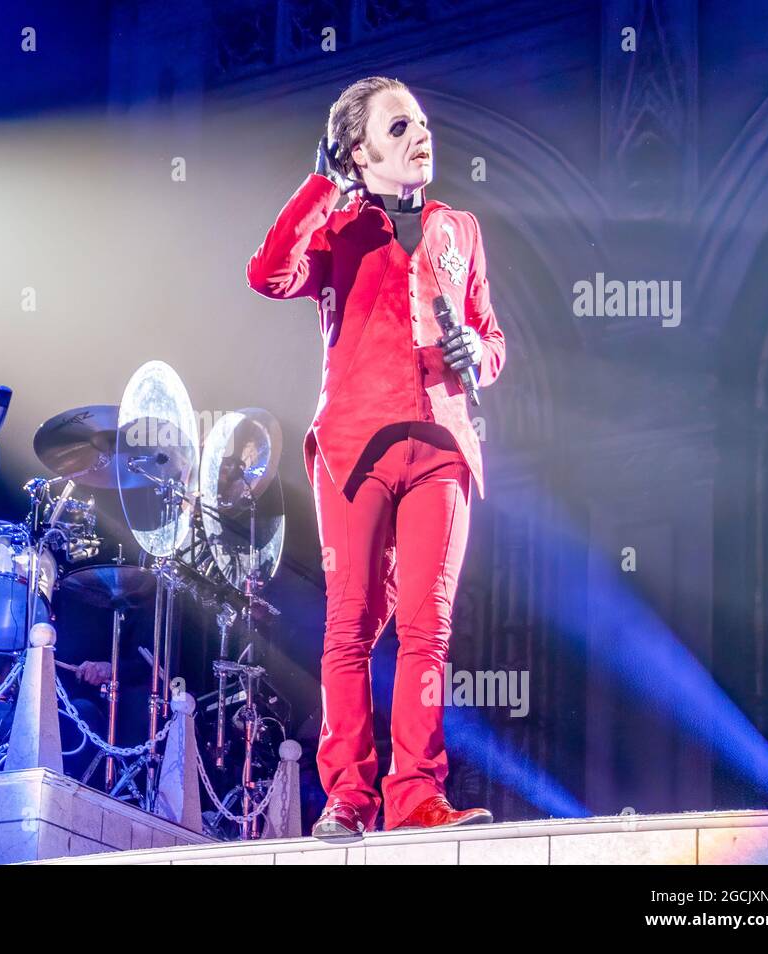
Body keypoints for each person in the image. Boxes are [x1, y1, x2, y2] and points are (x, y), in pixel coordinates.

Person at [246, 76, 506, 836]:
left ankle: (417, 795)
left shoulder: (459, 227)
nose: (421, 135)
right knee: (350, 625)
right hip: (356, 446)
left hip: (443, 446)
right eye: (399, 128)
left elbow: (492, 339)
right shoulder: (335, 225)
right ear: (357, 150)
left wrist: (479, 357)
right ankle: (349, 800)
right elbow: (267, 274)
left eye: (422, 122)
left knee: (427, 628)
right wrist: (320, 188)